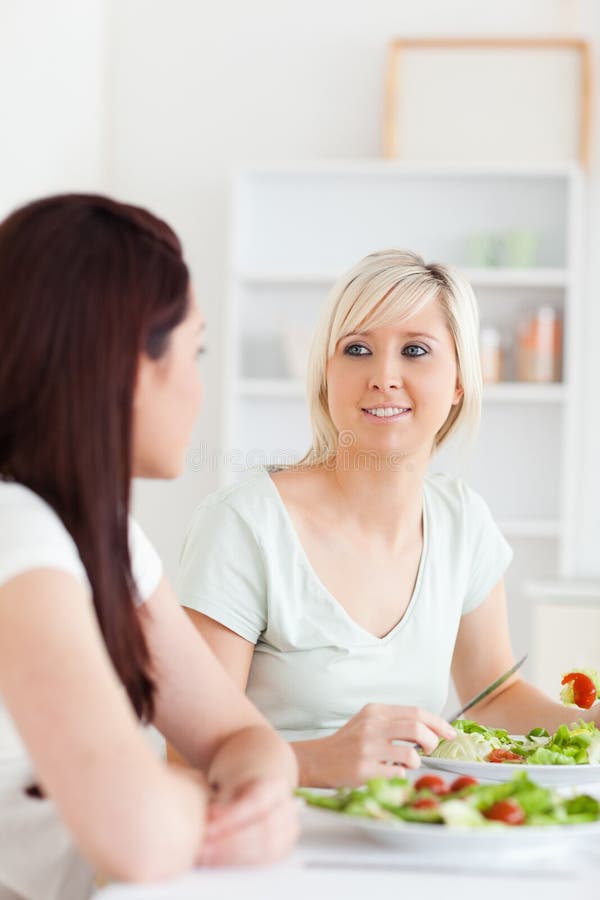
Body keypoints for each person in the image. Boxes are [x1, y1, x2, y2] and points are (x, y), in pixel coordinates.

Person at [177, 249, 595, 789]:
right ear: (327, 377)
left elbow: (494, 696)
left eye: (416, 350)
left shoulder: (462, 521)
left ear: (460, 383)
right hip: (267, 833)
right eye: (357, 349)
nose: (383, 376)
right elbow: (187, 757)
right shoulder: (243, 526)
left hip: (406, 827)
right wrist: (318, 760)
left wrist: (590, 725)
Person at [0, 194, 298, 900]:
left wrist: (256, 787)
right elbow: (134, 833)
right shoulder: (16, 528)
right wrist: (229, 810)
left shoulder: (103, 537)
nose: (198, 385)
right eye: (192, 350)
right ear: (127, 361)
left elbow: (240, 737)